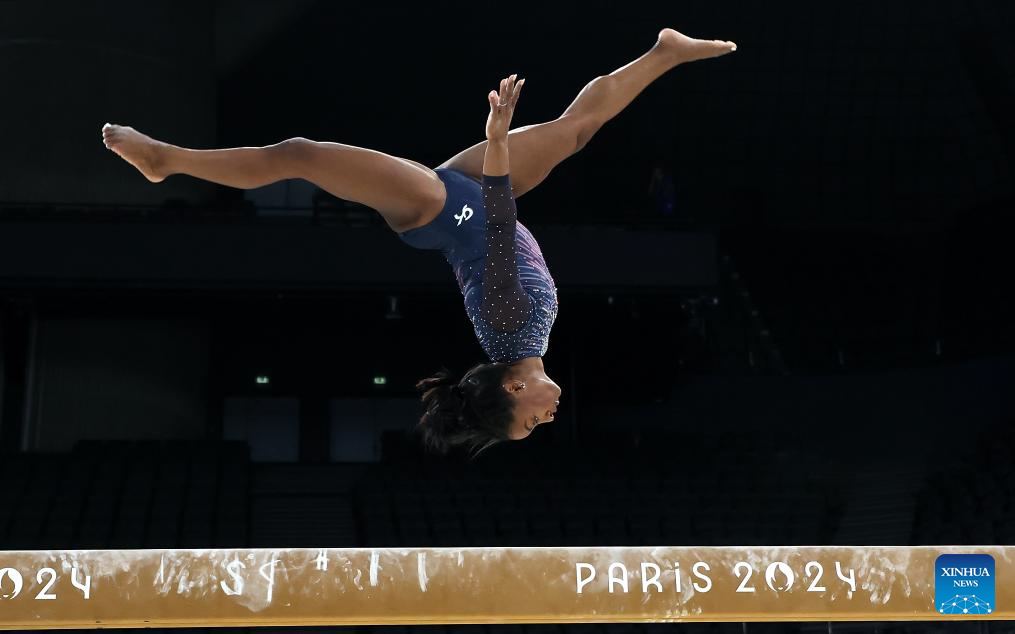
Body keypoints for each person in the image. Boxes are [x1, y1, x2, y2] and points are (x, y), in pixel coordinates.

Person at [101, 28, 737, 457]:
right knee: (575, 132)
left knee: (300, 155)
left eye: (533, 420)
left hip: (448, 213)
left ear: (514, 390)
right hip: (469, 207)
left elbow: (494, 219)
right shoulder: (526, 341)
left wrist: (496, 137)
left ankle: (168, 160)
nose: (548, 416)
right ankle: (664, 52)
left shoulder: (512, 326)